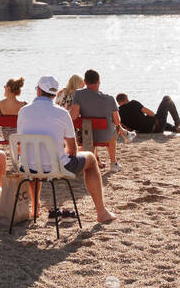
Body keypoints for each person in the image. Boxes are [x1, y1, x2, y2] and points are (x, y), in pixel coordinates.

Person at [16, 75, 116, 224]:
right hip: (56, 167)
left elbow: (20, 143)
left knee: (34, 159)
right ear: (55, 93)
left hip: (27, 167)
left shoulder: (23, 111)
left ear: (38, 91)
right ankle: (101, 212)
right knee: (91, 159)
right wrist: (60, 153)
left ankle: (35, 208)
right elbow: (73, 150)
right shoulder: (62, 113)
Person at [70, 69, 128, 171]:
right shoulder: (110, 99)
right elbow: (117, 121)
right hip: (106, 136)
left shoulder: (78, 94)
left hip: (87, 136)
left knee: (90, 131)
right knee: (116, 129)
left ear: (85, 82)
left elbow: (73, 116)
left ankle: (95, 160)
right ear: (99, 81)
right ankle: (113, 163)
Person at [114, 93, 180, 134]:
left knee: (156, 121)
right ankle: (178, 123)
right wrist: (152, 116)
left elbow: (129, 129)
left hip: (146, 131)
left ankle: (175, 128)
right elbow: (151, 113)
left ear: (118, 102)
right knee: (167, 99)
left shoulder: (118, 113)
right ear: (126, 98)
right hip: (156, 126)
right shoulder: (133, 103)